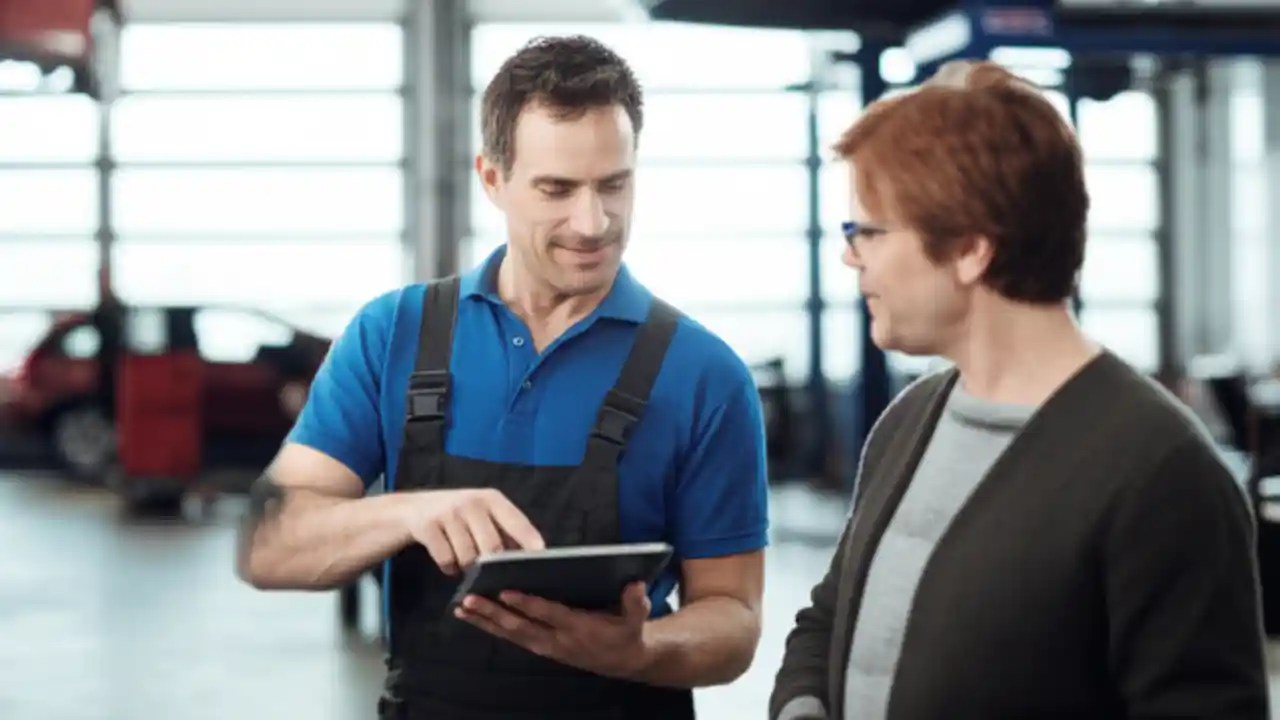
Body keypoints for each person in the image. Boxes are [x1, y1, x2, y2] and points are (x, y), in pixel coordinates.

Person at [236, 35, 768, 720]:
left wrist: (639, 650)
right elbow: (267, 547)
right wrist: (411, 510)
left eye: (614, 184)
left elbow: (733, 618)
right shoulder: (393, 335)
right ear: (492, 178)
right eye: (557, 189)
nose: (593, 221)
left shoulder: (703, 374)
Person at [770, 60, 1270, 720]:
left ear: (972, 250)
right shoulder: (912, 418)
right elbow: (833, 618)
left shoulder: (1160, 472)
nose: (851, 255)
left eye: (870, 230)